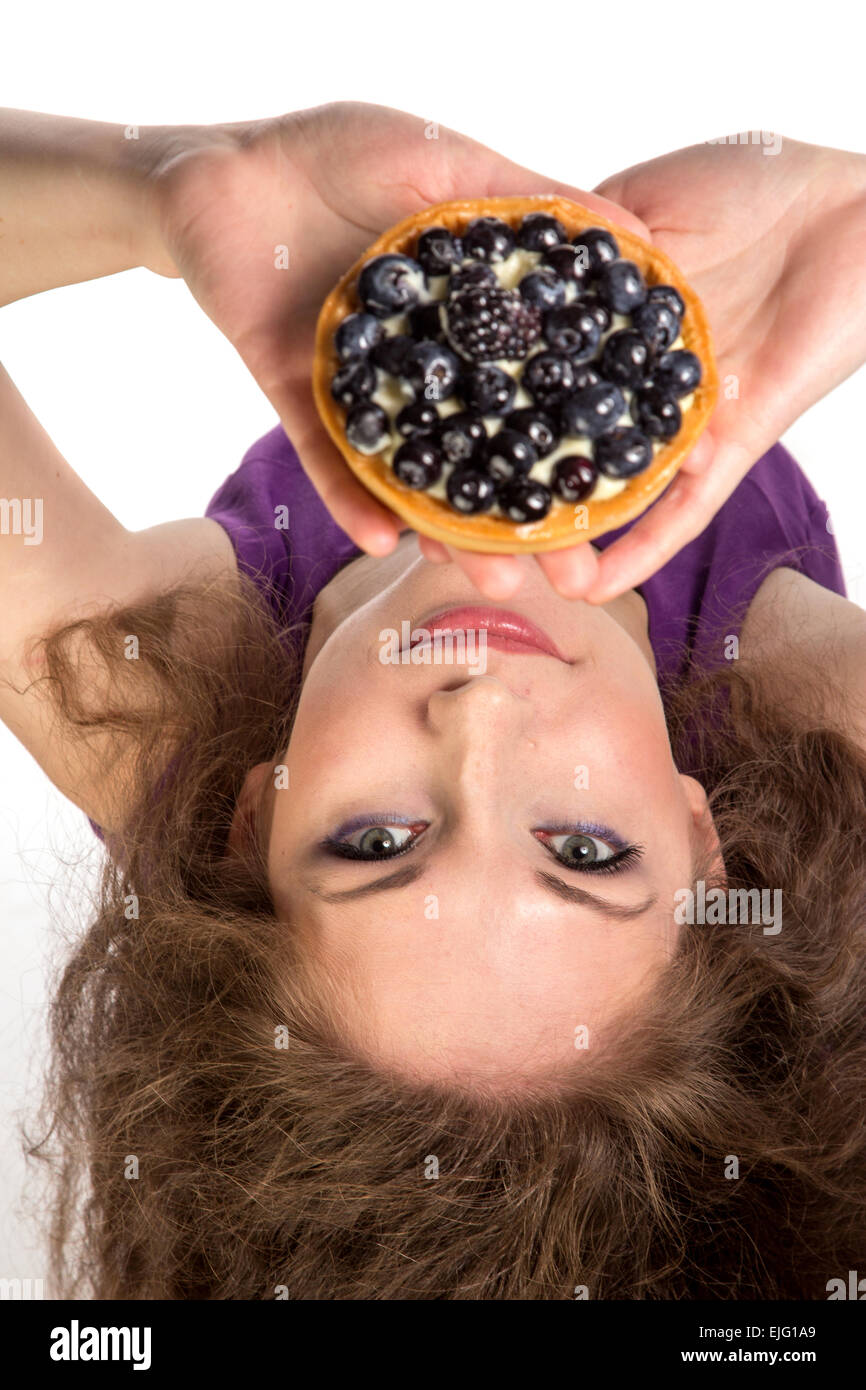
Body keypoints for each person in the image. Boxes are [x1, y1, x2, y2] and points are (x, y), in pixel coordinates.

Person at [2, 103, 866, 1299]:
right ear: (705, 845)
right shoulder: (808, 708)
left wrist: (168, 184)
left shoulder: (142, 707)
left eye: (375, 841)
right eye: (582, 846)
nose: (475, 722)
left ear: (253, 822)